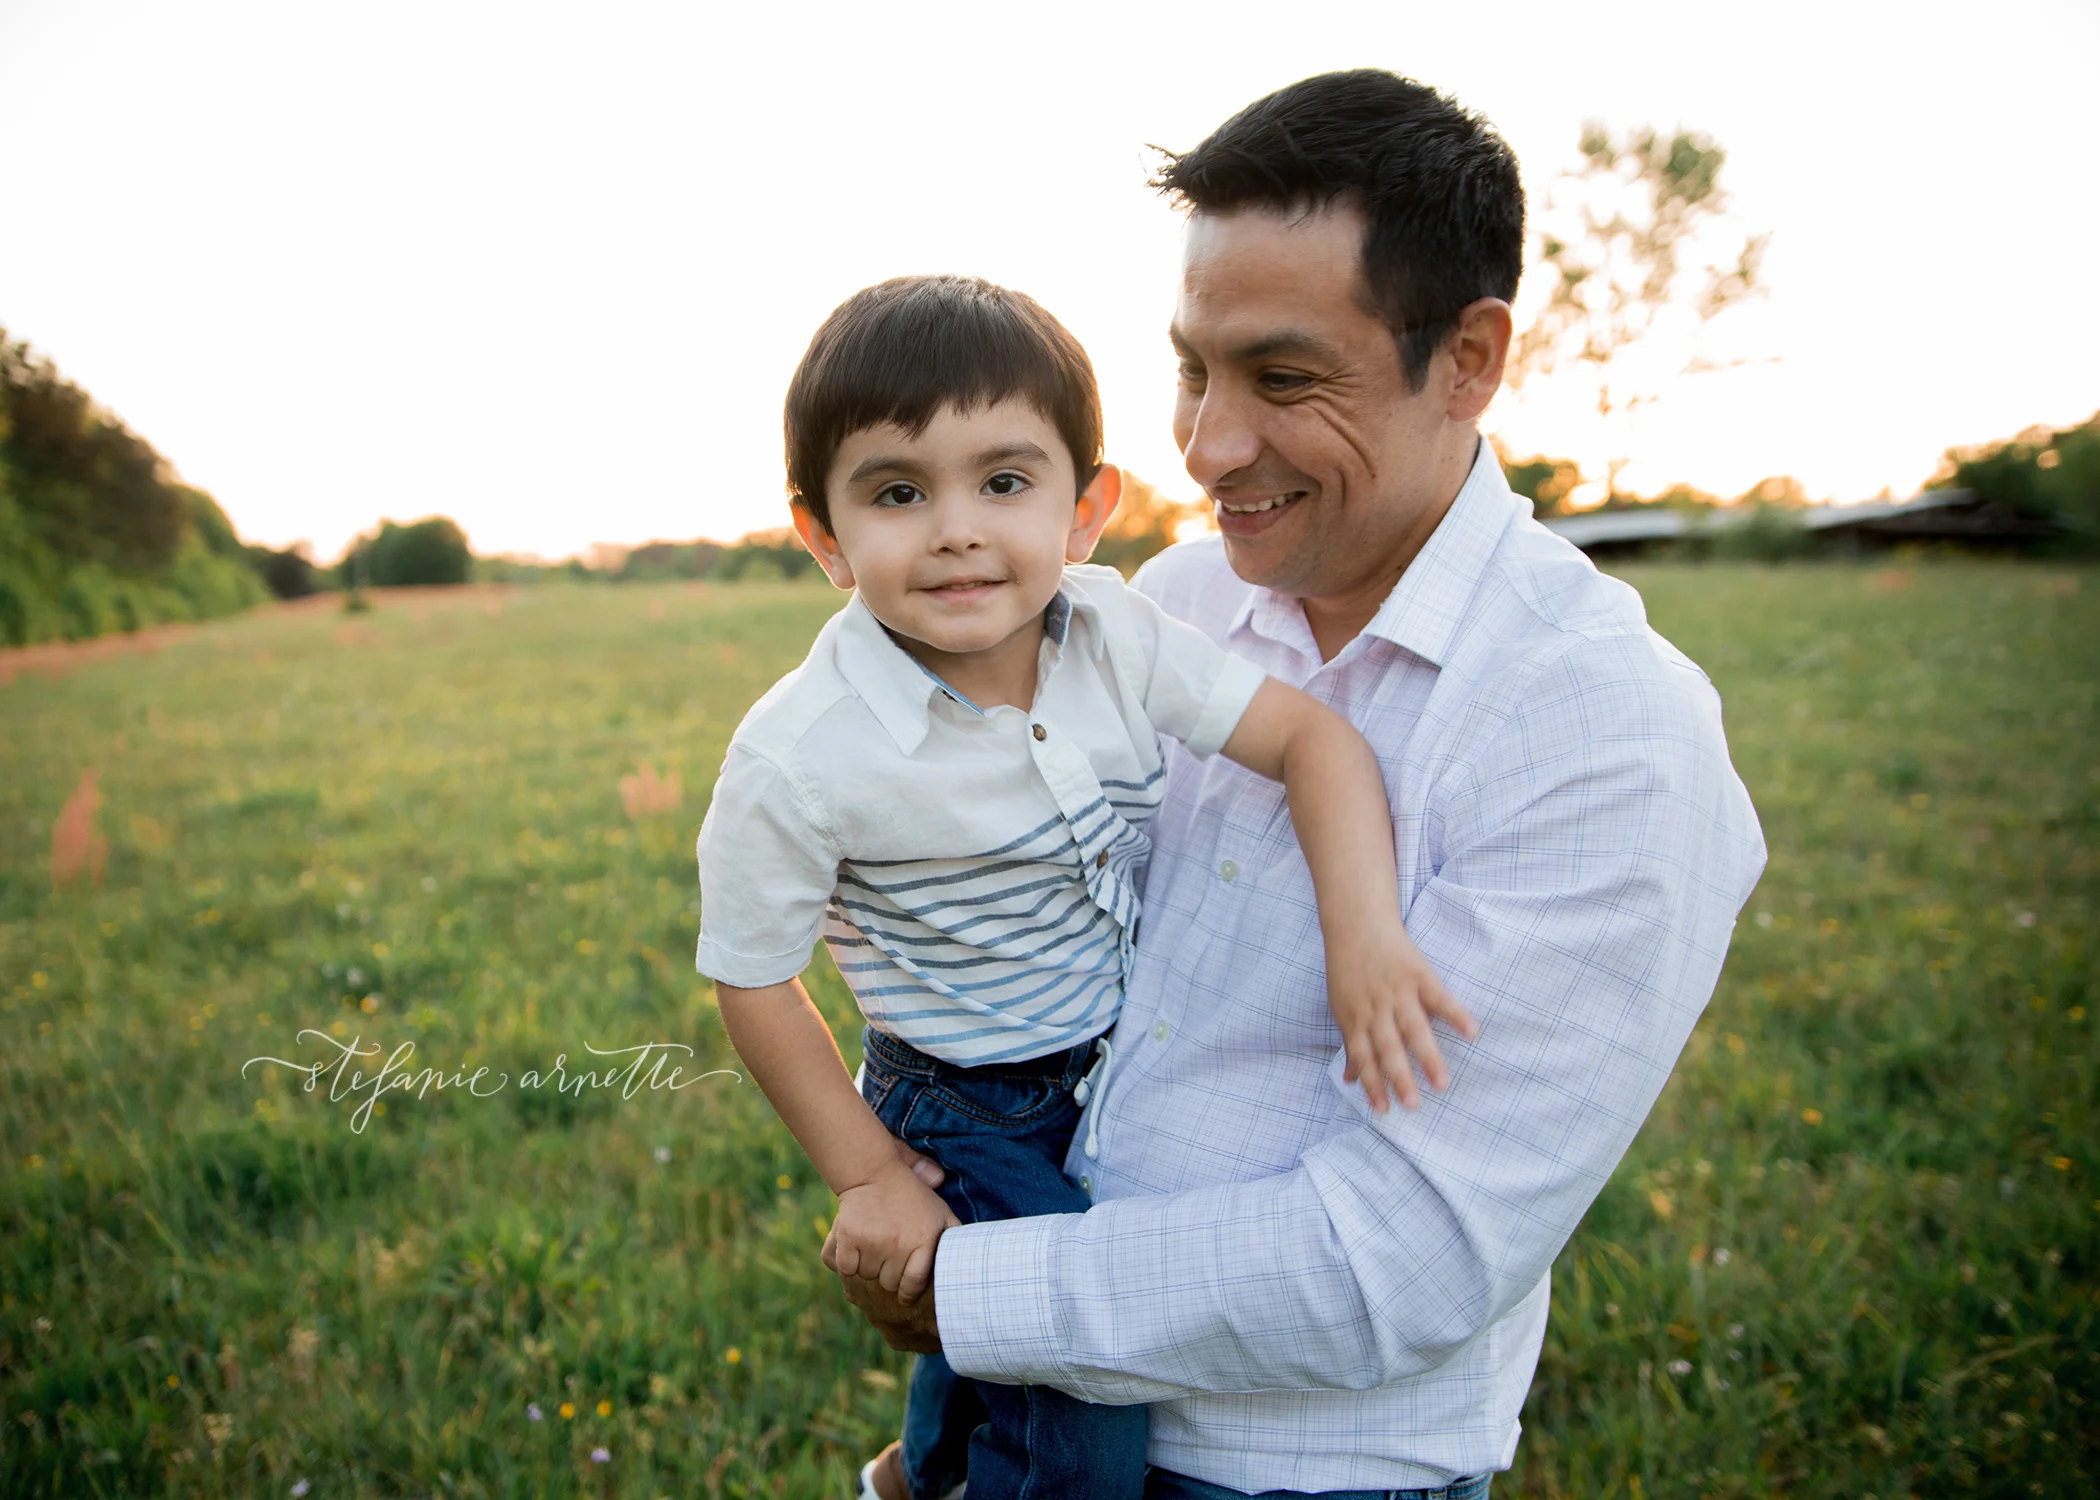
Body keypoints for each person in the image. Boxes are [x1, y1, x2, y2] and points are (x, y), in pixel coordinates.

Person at [827, 70, 1770, 1498]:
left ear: (1469, 359)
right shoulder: (1182, 601)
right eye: (1193, 368)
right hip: (1020, 1412)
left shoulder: (1607, 733)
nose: (1207, 446)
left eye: (1283, 378)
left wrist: (970, 1293)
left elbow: (1401, 1255)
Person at [694, 274, 1477, 1500]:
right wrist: (871, 1176)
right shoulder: (803, 751)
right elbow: (752, 978)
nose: (956, 528)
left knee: (992, 1322)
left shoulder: (1113, 638)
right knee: (1093, 1421)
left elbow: (1314, 743)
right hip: (960, 1101)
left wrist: (1361, 937)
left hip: (1112, 1062)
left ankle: (918, 1477)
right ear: (824, 537)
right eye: (898, 492)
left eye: (1004, 482)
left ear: (1086, 508)